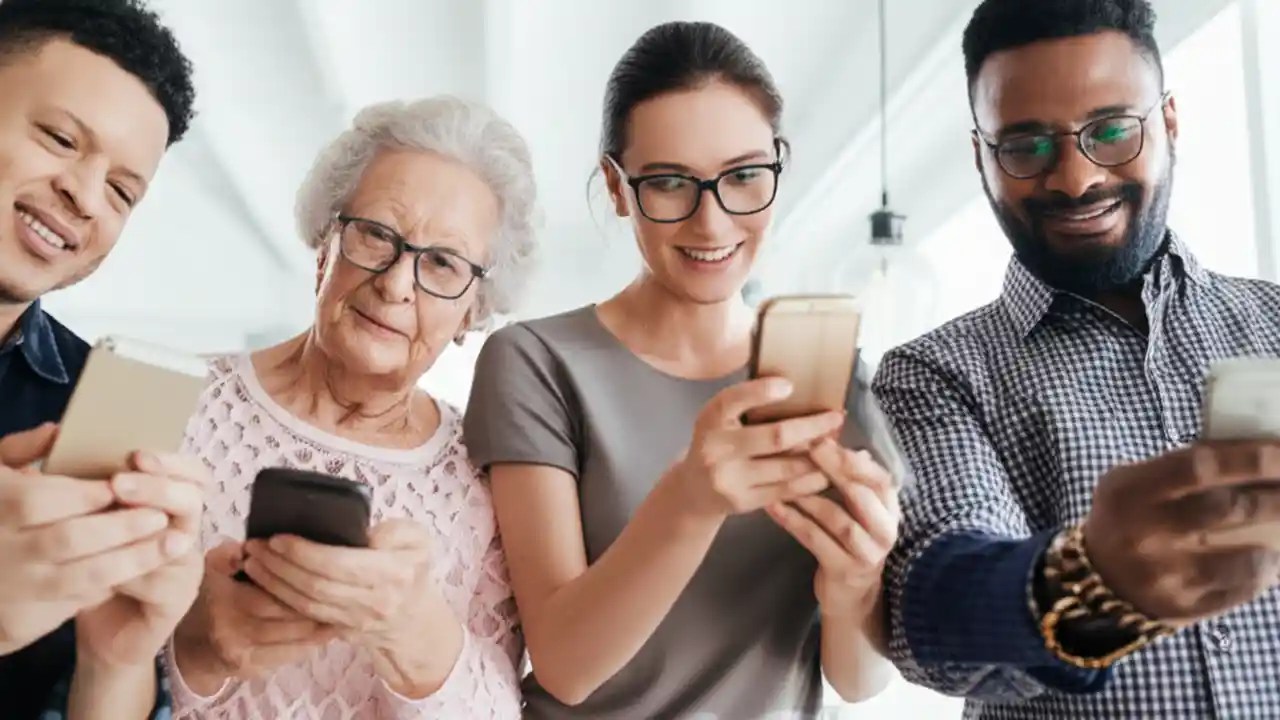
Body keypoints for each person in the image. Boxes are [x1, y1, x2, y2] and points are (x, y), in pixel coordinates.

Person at [464, 21, 899, 719]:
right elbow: (567, 665)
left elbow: (857, 681)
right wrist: (690, 501)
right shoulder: (536, 363)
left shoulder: (834, 374)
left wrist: (857, 583)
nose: (712, 220)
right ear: (615, 185)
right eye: (669, 183)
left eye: (745, 176)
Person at [872, 1, 1280, 718]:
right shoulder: (933, 375)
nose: (1074, 179)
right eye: (1026, 146)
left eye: (1113, 130)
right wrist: (1091, 584)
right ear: (982, 156)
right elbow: (929, 605)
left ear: (1170, 122)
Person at [165, 95, 538, 719]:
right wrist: (197, 649)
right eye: (375, 236)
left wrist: (418, 636)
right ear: (324, 247)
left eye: (442, 264)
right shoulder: (167, 395)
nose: (395, 285)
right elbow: (61, 666)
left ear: (472, 311)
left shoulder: (489, 479)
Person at [0, 1, 205, 718]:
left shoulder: (90, 405)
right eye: (59, 138)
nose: (85, 196)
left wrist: (114, 659)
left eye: (123, 190)